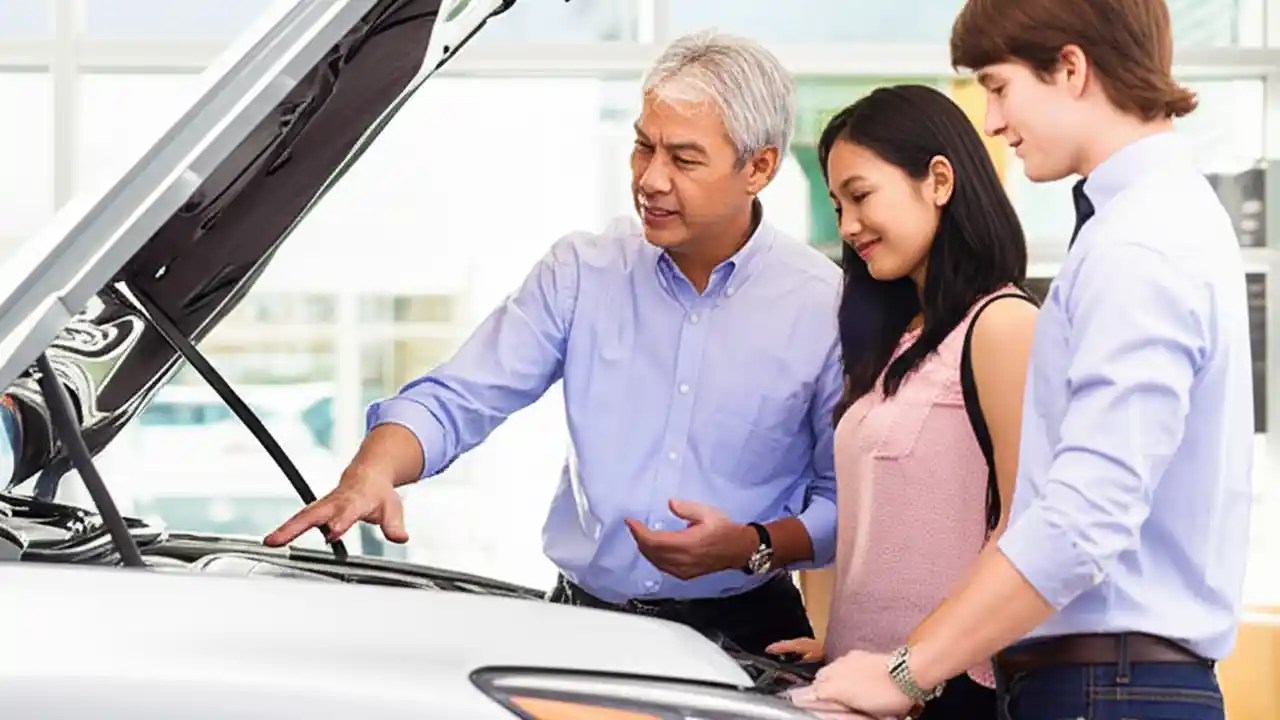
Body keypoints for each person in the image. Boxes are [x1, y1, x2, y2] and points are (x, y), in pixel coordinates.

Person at [263, 30, 844, 658]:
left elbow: (844, 499)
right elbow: (457, 398)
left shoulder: (823, 305)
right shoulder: (581, 273)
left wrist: (756, 544)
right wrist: (370, 472)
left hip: (752, 634)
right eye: (642, 147)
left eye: (684, 159)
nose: (650, 179)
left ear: (758, 167)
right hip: (585, 626)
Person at [806, 1, 1255, 718]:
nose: (991, 121)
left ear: (1070, 69)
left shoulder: (1138, 243)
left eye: (998, 85)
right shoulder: (1146, 223)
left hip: (1107, 688)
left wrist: (906, 670)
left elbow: (1081, 517)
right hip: (1103, 684)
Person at [764, 85, 1038, 720]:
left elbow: (1026, 533)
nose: (848, 225)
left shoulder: (1001, 325)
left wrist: (911, 669)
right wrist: (839, 645)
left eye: (860, 196)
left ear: (938, 180)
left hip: (947, 691)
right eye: (837, 205)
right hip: (865, 688)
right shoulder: (898, 342)